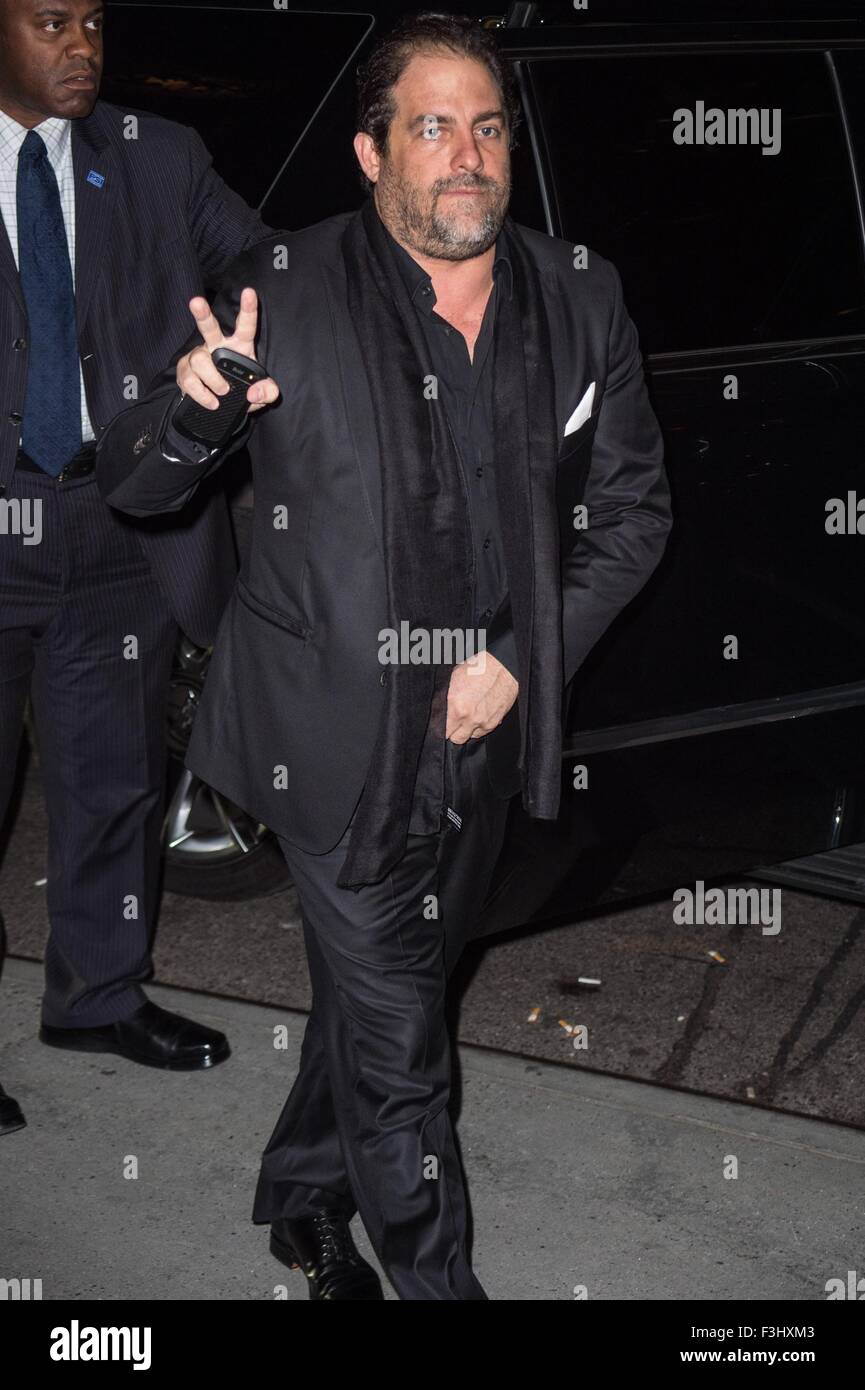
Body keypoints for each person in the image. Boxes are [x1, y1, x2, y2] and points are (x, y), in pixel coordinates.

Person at [96, 11, 672, 1299]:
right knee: (410, 1044)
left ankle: (300, 1196)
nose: (463, 155)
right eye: (429, 127)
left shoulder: (579, 294)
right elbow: (132, 483)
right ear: (371, 154)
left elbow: (633, 513)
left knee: (386, 994)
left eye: (484, 127)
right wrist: (189, 415)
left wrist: (524, 657)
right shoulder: (280, 290)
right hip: (327, 739)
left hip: (479, 736)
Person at [0, 0, 273, 1127]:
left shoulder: (159, 157)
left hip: (120, 516)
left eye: (95, 22)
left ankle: (98, 995)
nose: (83, 47)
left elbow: (265, 259)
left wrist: (229, 339)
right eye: (51, 20)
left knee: (114, 777)